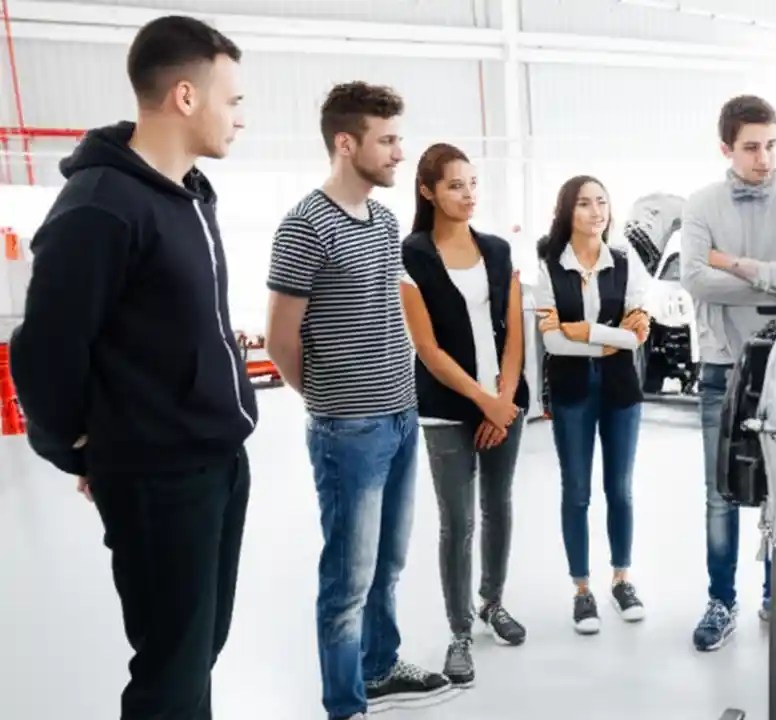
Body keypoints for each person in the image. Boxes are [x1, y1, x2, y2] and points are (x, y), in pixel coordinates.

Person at [9, 16, 256, 718]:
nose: (240, 117)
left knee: (198, 650)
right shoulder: (101, 206)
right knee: (169, 674)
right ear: (186, 96)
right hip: (158, 474)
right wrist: (80, 447)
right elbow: (46, 348)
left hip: (216, 455)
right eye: (232, 100)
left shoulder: (189, 193)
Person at [265, 82, 450, 720]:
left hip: (401, 417)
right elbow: (281, 339)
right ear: (346, 144)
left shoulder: (384, 219)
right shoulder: (304, 226)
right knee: (347, 580)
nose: (400, 152)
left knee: (387, 564)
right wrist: (332, 402)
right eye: (388, 140)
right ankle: (345, 706)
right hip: (350, 429)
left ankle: (379, 667)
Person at [679, 94, 776, 651]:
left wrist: (734, 265)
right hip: (721, 367)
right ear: (726, 149)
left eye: (771, 145)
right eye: (751, 148)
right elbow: (696, 280)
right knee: (720, 492)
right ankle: (721, 600)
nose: (765, 159)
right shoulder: (701, 204)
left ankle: (774, 595)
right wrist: (774, 274)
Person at [400, 142, 529, 687]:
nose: (469, 194)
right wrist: (485, 402)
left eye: (473, 183)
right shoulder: (412, 254)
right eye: (455, 185)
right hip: (447, 407)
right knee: (458, 522)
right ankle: (458, 632)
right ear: (427, 191)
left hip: (505, 400)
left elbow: (515, 332)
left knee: (498, 508)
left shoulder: (497, 250)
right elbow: (427, 349)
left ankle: (492, 602)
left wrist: (504, 400)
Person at [534, 175, 651, 635]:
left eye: (602, 201)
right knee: (577, 491)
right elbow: (552, 343)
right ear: (568, 211)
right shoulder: (549, 265)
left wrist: (582, 331)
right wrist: (607, 339)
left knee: (620, 489)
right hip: (571, 389)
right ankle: (582, 590)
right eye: (584, 203)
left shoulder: (625, 261)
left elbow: (637, 337)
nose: (596, 211)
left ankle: (622, 580)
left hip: (621, 389)